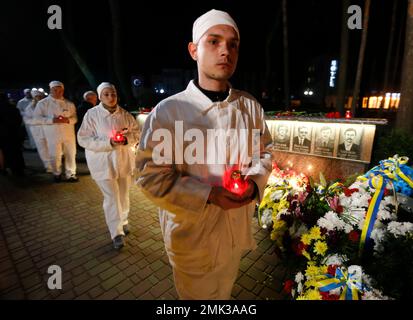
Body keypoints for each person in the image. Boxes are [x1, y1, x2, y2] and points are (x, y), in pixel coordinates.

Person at [136, 9, 273, 299]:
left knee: (223, 294)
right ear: (194, 50)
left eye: (232, 44)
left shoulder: (250, 108)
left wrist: (253, 184)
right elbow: (150, 176)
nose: (225, 50)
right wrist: (207, 195)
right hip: (192, 237)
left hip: (235, 232)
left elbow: (265, 153)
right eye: (214, 41)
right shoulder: (169, 112)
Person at [77, 83, 140, 250]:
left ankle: (124, 220)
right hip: (103, 164)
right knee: (111, 198)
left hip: (124, 162)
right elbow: (83, 139)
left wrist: (127, 140)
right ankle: (116, 232)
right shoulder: (92, 115)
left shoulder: (125, 114)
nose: (111, 97)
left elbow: (136, 132)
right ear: (100, 97)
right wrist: (108, 142)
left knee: (124, 194)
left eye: (113, 94)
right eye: (106, 94)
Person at [33, 81, 79, 182]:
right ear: (51, 90)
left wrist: (68, 120)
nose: (58, 92)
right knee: (55, 155)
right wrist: (52, 120)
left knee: (71, 153)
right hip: (52, 134)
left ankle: (71, 174)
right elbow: (36, 119)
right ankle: (56, 173)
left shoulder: (69, 104)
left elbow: (75, 118)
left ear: (63, 91)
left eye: (60, 90)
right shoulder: (43, 103)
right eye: (55, 90)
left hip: (68, 134)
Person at [23, 89, 52, 173]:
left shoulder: (47, 105)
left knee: (52, 148)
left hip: (49, 130)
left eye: (40, 96)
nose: (38, 98)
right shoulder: (29, 107)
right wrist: (39, 121)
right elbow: (27, 120)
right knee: (42, 149)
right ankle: (48, 166)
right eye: (36, 97)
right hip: (37, 131)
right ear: (34, 98)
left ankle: (55, 164)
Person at [0, 92, 25, 176]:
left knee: (4, 152)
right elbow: (19, 120)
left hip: (3, 134)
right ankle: (18, 170)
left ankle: (4, 169)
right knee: (16, 151)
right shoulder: (13, 108)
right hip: (14, 133)